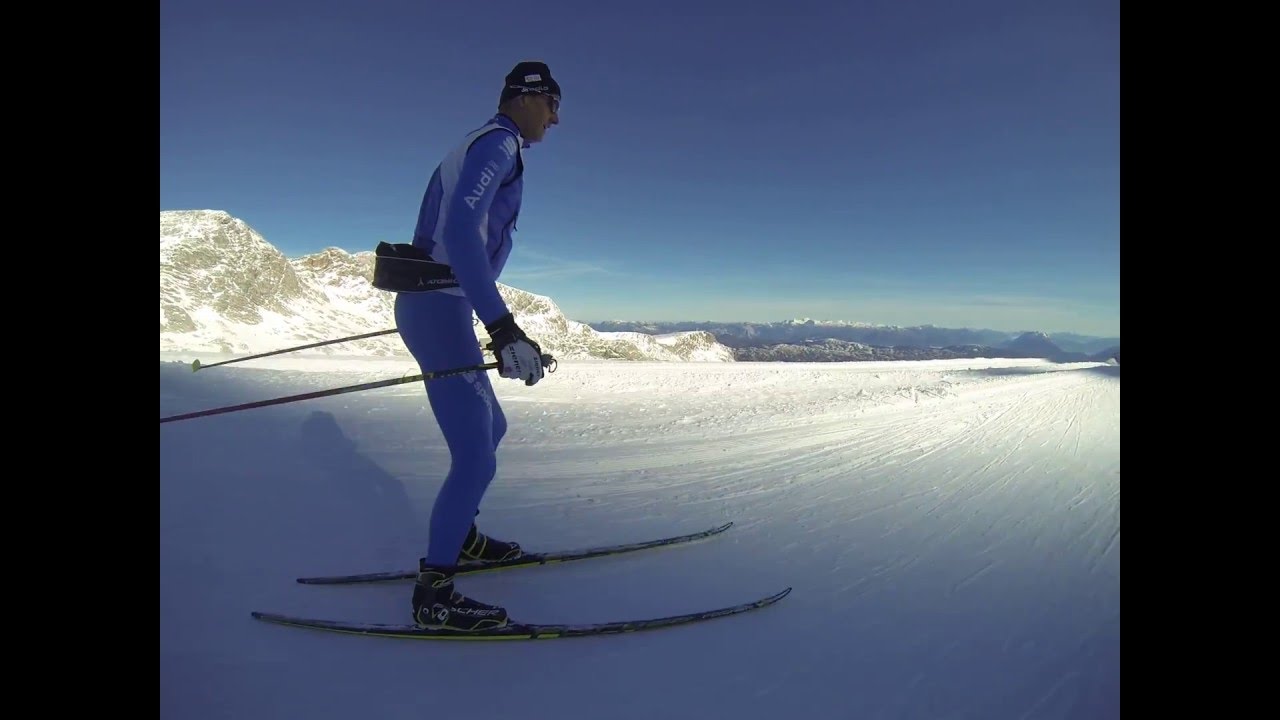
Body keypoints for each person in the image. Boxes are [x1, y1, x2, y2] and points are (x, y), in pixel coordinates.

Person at [390, 61, 561, 631]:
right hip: (438, 305)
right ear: (524, 99)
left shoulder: (490, 143)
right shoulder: (500, 144)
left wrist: (487, 317)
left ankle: (460, 538)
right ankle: (434, 592)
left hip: (445, 303)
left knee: (492, 430)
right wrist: (503, 328)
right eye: (551, 104)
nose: (556, 119)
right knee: (475, 454)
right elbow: (462, 233)